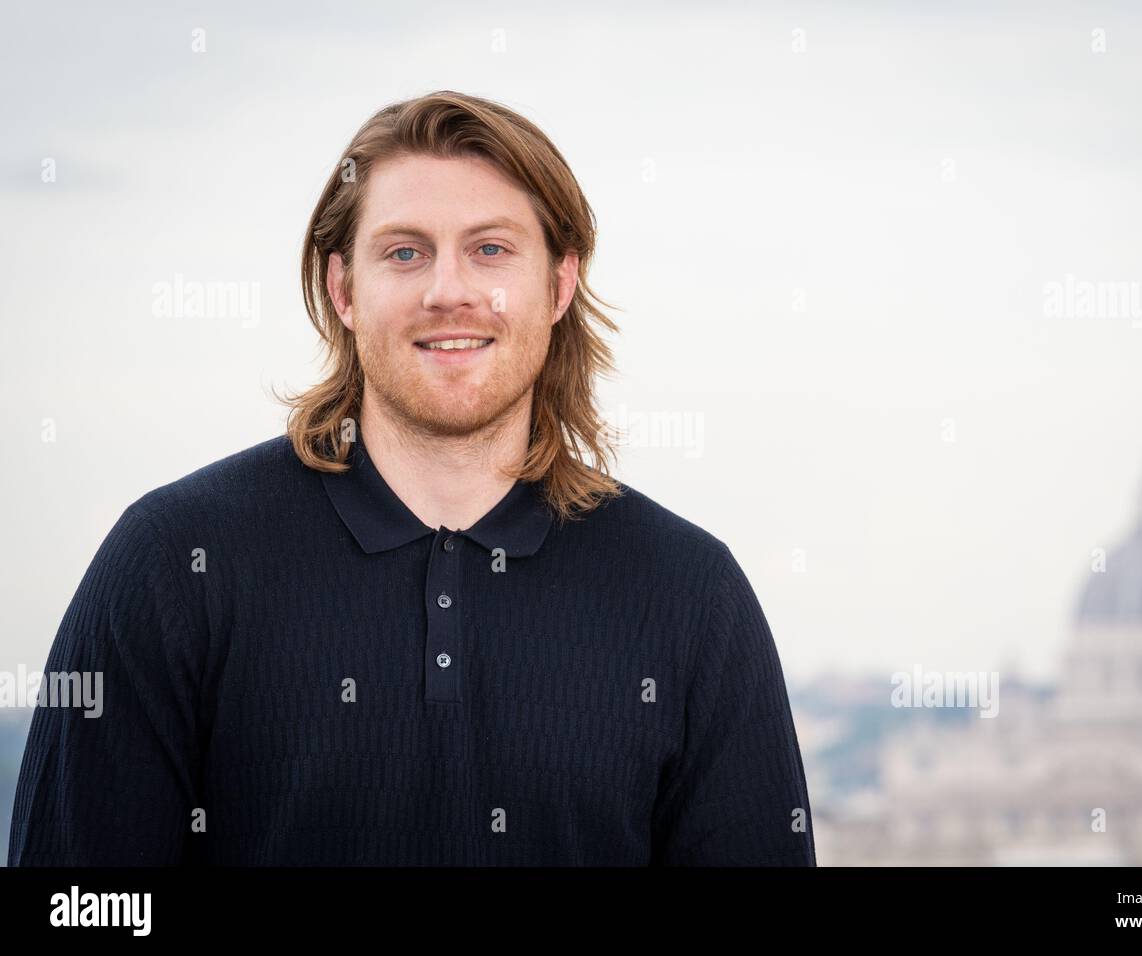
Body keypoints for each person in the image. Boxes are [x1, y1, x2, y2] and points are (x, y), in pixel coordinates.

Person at [8, 90, 816, 866]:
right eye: (405, 253)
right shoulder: (175, 562)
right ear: (343, 289)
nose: (448, 291)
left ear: (560, 286)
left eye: (491, 249)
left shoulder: (689, 595)